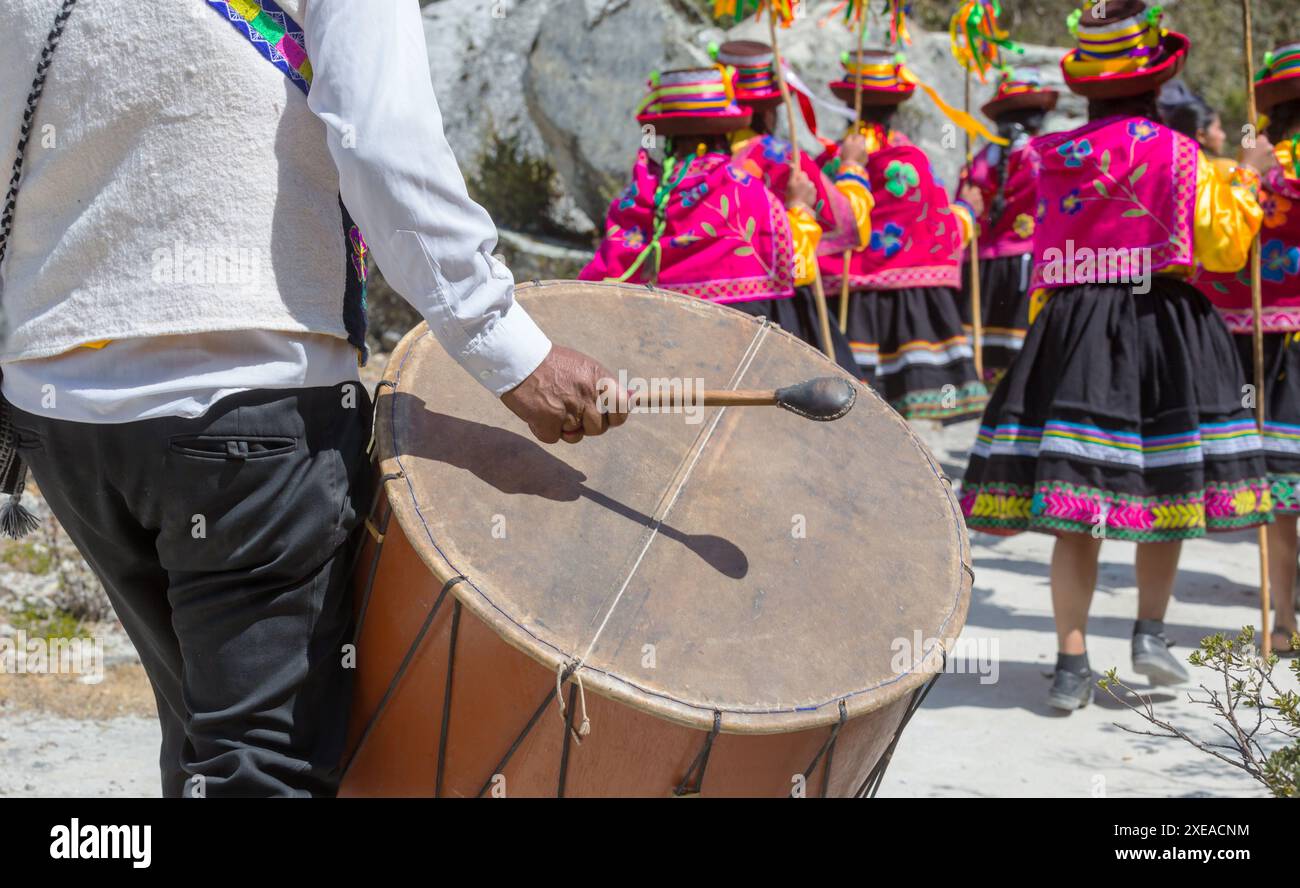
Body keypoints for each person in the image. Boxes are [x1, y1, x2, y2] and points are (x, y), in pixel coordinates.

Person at [0, 0, 624, 797]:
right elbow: (382, 138)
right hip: (248, 403)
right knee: (261, 766)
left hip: (63, 408)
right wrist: (508, 348)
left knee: (203, 734)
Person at [960, 0, 1274, 710]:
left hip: (1075, 329)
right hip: (1163, 327)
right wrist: (1248, 176)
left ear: (1086, 89)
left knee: (1083, 504)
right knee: (1165, 489)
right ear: (1158, 85)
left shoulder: (1051, 156)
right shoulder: (1181, 154)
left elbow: (1046, 249)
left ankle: (1071, 663)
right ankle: (1150, 635)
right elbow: (1223, 248)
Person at [581, 65, 824, 331]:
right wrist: (800, 209)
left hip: (652, 336)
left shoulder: (636, 195)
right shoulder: (741, 189)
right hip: (735, 344)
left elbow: (605, 274)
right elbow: (797, 269)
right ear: (724, 131)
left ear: (666, 136)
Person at [818, 49, 989, 422]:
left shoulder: (828, 161)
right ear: (897, 105)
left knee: (851, 409)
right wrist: (967, 211)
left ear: (849, 101)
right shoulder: (909, 161)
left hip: (847, 304)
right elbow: (937, 229)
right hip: (904, 308)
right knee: (898, 416)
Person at [1197, 40, 1299, 655]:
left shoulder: (1246, 170)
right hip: (1269, 341)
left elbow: (1216, 247)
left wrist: (1241, 169)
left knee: (1281, 489)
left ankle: (1280, 619)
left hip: (1257, 345)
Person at [713, 39, 870, 374]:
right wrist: (853, 169)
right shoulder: (779, 155)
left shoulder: (700, 162)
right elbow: (850, 223)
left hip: (708, 308)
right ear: (769, 111)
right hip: (779, 305)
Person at [957, 66, 1058, 385]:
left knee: (985, 332)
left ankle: (984, 384)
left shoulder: (977, 162)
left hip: (980, 263)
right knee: (1018, 336)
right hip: (1025, 262)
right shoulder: (1046, 158)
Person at [1158, 79, 1227, 156]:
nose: (1223, 136)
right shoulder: (1201, 166)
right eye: (1218, 128)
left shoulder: (1174, 158)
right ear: (1201, 135)